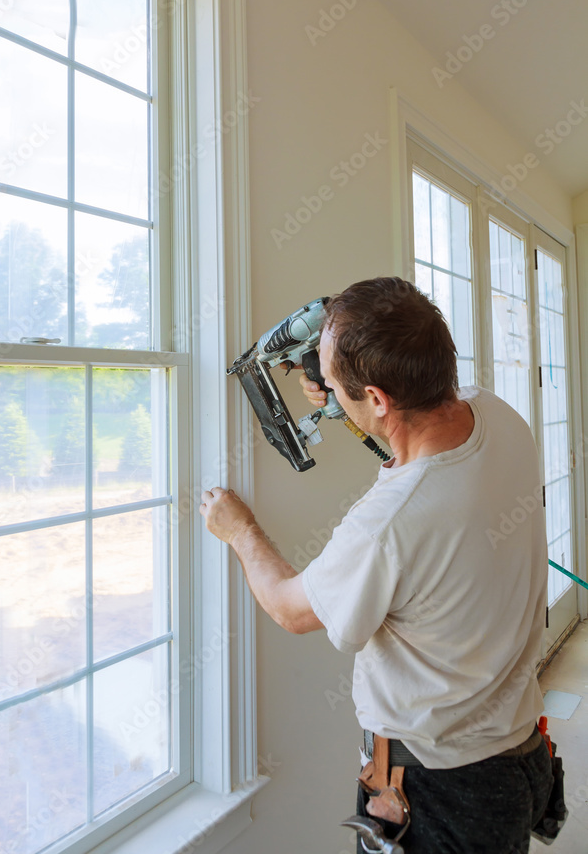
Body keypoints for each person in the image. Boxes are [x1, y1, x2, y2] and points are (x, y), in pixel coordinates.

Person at [200, 277, 553, 854]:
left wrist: (239, 530)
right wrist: (352, 395)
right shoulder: (502, 416)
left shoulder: (385, 524)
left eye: (336, 384)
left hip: (439, 791)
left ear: (381, 398)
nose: (328, 390)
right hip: (517, 756)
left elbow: (291, 609)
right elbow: (421, 448)